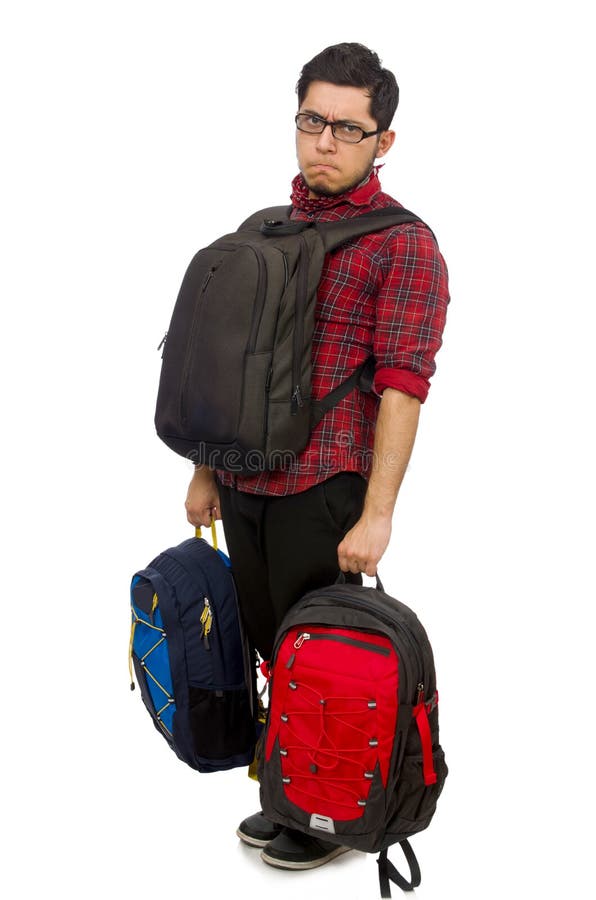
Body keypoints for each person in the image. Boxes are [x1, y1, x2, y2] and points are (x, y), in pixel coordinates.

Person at [184, 42, 450, 871]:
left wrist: (378, 513)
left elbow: (403, 387)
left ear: (384, 141)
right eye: (312, 120)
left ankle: (328, 807)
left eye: (347, 126)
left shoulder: (404, 246)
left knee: (323, 654)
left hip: (326, 484)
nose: (324, 141)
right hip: (243, 477)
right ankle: (288, 788)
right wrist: (201, 469)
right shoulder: (266, 228)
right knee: (271, 645)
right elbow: (220, 365)